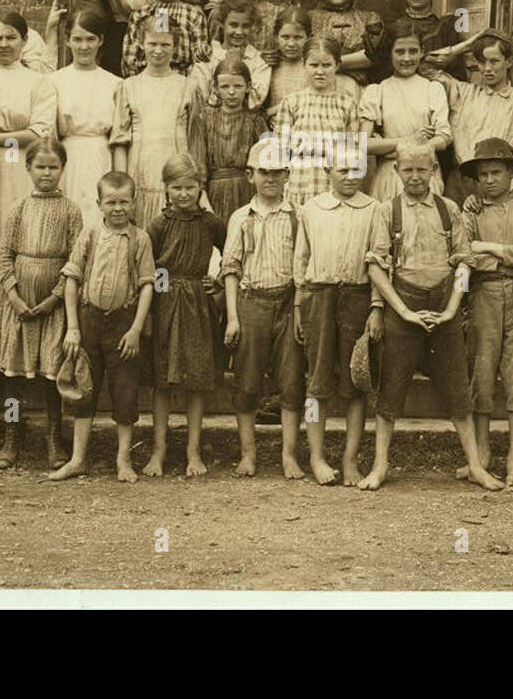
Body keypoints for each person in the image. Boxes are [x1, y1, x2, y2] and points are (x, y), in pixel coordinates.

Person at [360, 142, 503, 492]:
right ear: (396, 172)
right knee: (390, 389)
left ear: (434, 170)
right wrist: (403, 310)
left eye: (422, 169)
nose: (415, 176)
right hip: (402, 303)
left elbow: (465, 261)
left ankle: (475, 466)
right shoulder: (386, 211)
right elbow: (376, 268)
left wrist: (452, 308)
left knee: (458, 390)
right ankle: (380, 466)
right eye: (407, 169)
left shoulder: (448, 209)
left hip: (444, 305)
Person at [0, 136, 85, 471]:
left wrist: (53, 299)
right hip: (19, 309)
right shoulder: (18, 209)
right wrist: (14, 296)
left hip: (52, 309)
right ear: (28, 168)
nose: (46, 173)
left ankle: (54, 438)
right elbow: (3, 256)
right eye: (40, 167)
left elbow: (75, 261)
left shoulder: (71, 212)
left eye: (53, 167)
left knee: (50, 377)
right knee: (14, 378)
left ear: (63, 169)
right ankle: (11, 436)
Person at [54, 170, 156, 482]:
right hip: (89, 320)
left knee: (125, 392)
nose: (118, 208)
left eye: (124, 201)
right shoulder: (90, 235)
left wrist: (136, 329)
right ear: (99, 203)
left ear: (134, 203)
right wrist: (73, 327)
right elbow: (71, 279)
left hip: (124, 325)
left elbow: (148, 285)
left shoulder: (140, 239)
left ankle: (123, 460)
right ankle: (77, 459)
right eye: (110, 202)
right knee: (83, 389)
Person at [459, 138, 513, 486]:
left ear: (512, 173)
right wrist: (489, 254)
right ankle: (481, 452)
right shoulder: (471, 210)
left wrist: (491, 247)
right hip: (484, 293)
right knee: (481, 372)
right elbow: (465, 254)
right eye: (483, 174)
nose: (490, 180)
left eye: (497, 172)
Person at [0, 10, 58, 323]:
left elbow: (38, 134)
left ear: (24, 40)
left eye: (10, 37)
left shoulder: (38, 81)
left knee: (17, 241)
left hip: (19, 168)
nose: (4, 44)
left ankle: (18, 325)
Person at [295, 147, 381, 487]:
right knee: (316, 383)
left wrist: (376, 306)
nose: (350, 176)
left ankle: (349, 459)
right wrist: (299, 306)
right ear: (329, 169)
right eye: (342, 169)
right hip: (319, 295)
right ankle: (316, 457)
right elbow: (301, 260)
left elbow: (378, 262)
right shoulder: (312, 209)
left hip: (357, 297)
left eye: (356, 170)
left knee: (354, 384)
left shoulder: (374, 209)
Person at [221, 142, 303, 478]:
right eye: (264, 172)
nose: (270, 178)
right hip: (251, 302)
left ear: (287, 175)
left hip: (286, 302)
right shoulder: (241, 217)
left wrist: (298, 310)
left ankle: (289, 456)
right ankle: (248, 454)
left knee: (292, 380)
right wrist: (233, 317)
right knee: (248, 383)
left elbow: (303, 268)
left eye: (277, 172)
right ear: (250, 175)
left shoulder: (298, 216)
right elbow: (231, 268)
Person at [145, 154, 228, 477]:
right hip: (165, 303)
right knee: (162, 382)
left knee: (197, 381)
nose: (183, 193)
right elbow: (147, 266)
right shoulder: (158, 225)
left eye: (190, 187)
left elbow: (232, 255)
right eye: (176, 187)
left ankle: (194, 450)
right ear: (165, 189)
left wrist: (216, 283)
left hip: (198, 305)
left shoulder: (211, 223)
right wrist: (160, 297)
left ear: (200, 187)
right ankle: (159, 451)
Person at [425, 29, 513, 201]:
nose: (487, 69)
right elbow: (425, 67)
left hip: (501, 184)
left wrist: (510, 191)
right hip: (461, 183)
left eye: (494, 61)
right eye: (482, 62)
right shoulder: (463, 92)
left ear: (509, 62)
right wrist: (467, 45)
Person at [110, 20, 195, 227]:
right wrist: (124, 185)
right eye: (152, 44)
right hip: (141, 174)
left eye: (165, 45)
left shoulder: (188, 87)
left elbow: (195, 141)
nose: (158, 50)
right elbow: (120, 141)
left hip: (176, 174)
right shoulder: (128, 87)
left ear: (175, 47)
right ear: (141, 43)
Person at [359, 22, 452, 203]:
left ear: (422, 51)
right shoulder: (377, 91)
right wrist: (411, 141)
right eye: (400, 52)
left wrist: (392, 149)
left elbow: (444, 137)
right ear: (390, 53)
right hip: (391, 174)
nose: (407, 58)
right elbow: (363, 144)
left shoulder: (433, 89)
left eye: (413, 51)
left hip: (425, 173)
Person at [50, 10, 122, 227]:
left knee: (98, 221)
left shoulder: (115, 83)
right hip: (69, 160)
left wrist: (118, 180)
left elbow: (118, 137)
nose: (84, 46)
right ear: (67, 40)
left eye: (91, 39)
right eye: (77, 39)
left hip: (101, 159)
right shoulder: (55, 80)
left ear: (101, 40)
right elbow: (51, 135)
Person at [271, 35, 362, 206]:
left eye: (326, 65)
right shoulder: (291, 102)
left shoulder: (347, 104)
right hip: (298, 184)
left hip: (332, 187)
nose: (320, 71)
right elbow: (280, 153)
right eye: (314, 65)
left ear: (337, 66)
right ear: (304, 65)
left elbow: (352, 153)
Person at [189, 56, 271, 224]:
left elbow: (266, 165)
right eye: (225, 86)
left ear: (248, 87)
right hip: (213, 195)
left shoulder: (256, 120)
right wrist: (206, 209)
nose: (231, 92)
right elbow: (197, 169)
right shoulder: (204, 118)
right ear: (216, 88)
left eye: (238, 86)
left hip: (250, 194)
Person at [122, 0, 212, 77]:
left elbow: (200, 63)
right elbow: (129, 62)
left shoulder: (194, 16)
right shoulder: (140, 15)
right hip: (145, 85)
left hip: (181, 86)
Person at [308, 0, 384, 86]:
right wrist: (349, 68)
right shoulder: (308, 19)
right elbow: (304, 59)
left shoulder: (370, 19)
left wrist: (337, 65)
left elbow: (374, 56)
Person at [191, 0, 272, 112]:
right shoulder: (208, 56)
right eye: (233, 25)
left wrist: (235, 65)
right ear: (221, 23)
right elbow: (201, 100)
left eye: (245, 26)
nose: (239, 32)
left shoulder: (259, 61)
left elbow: (253, 102)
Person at [265, 6, 312, 119]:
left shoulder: (312, 65)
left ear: (308, 37)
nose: (291, 44)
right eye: (285, 37)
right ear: (276, 37)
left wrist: (271, 111)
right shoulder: (269, 64)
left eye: (298, 37)